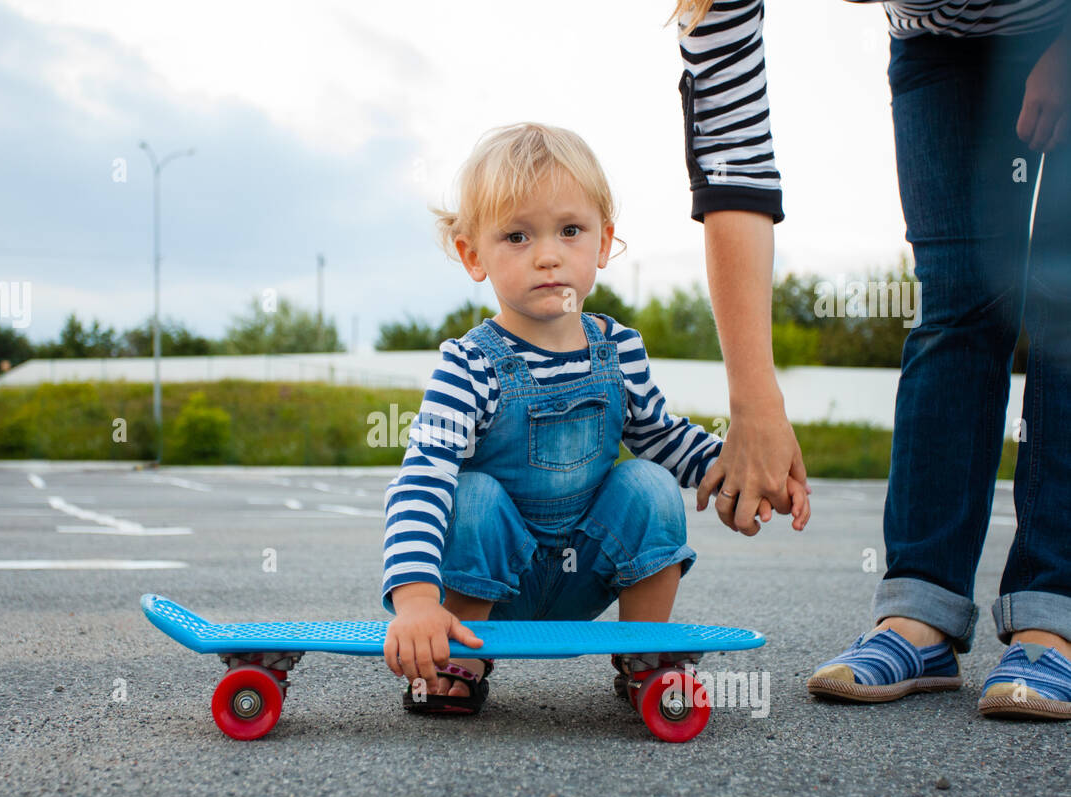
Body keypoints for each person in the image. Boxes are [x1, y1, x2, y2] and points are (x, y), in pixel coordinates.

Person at [672, 0, 1071, 717]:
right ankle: (920, 610)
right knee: (957, 300)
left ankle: (1057, 615)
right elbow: (734, 168)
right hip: (940, 47)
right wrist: (754, 404)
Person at [379, 121, 810, 713]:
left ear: (604, 243)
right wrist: (415, 600)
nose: (548, 254)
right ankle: (459, 661)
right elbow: (422, 477)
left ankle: (644, 656)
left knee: (649, 484)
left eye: (570, 230)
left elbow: (664, 439)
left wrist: (743, 476)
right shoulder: (469, 364)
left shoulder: (619, 348)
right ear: (472, 254)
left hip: (588, 570)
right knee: (470, 494)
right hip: (494, 584)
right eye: (517, 236)